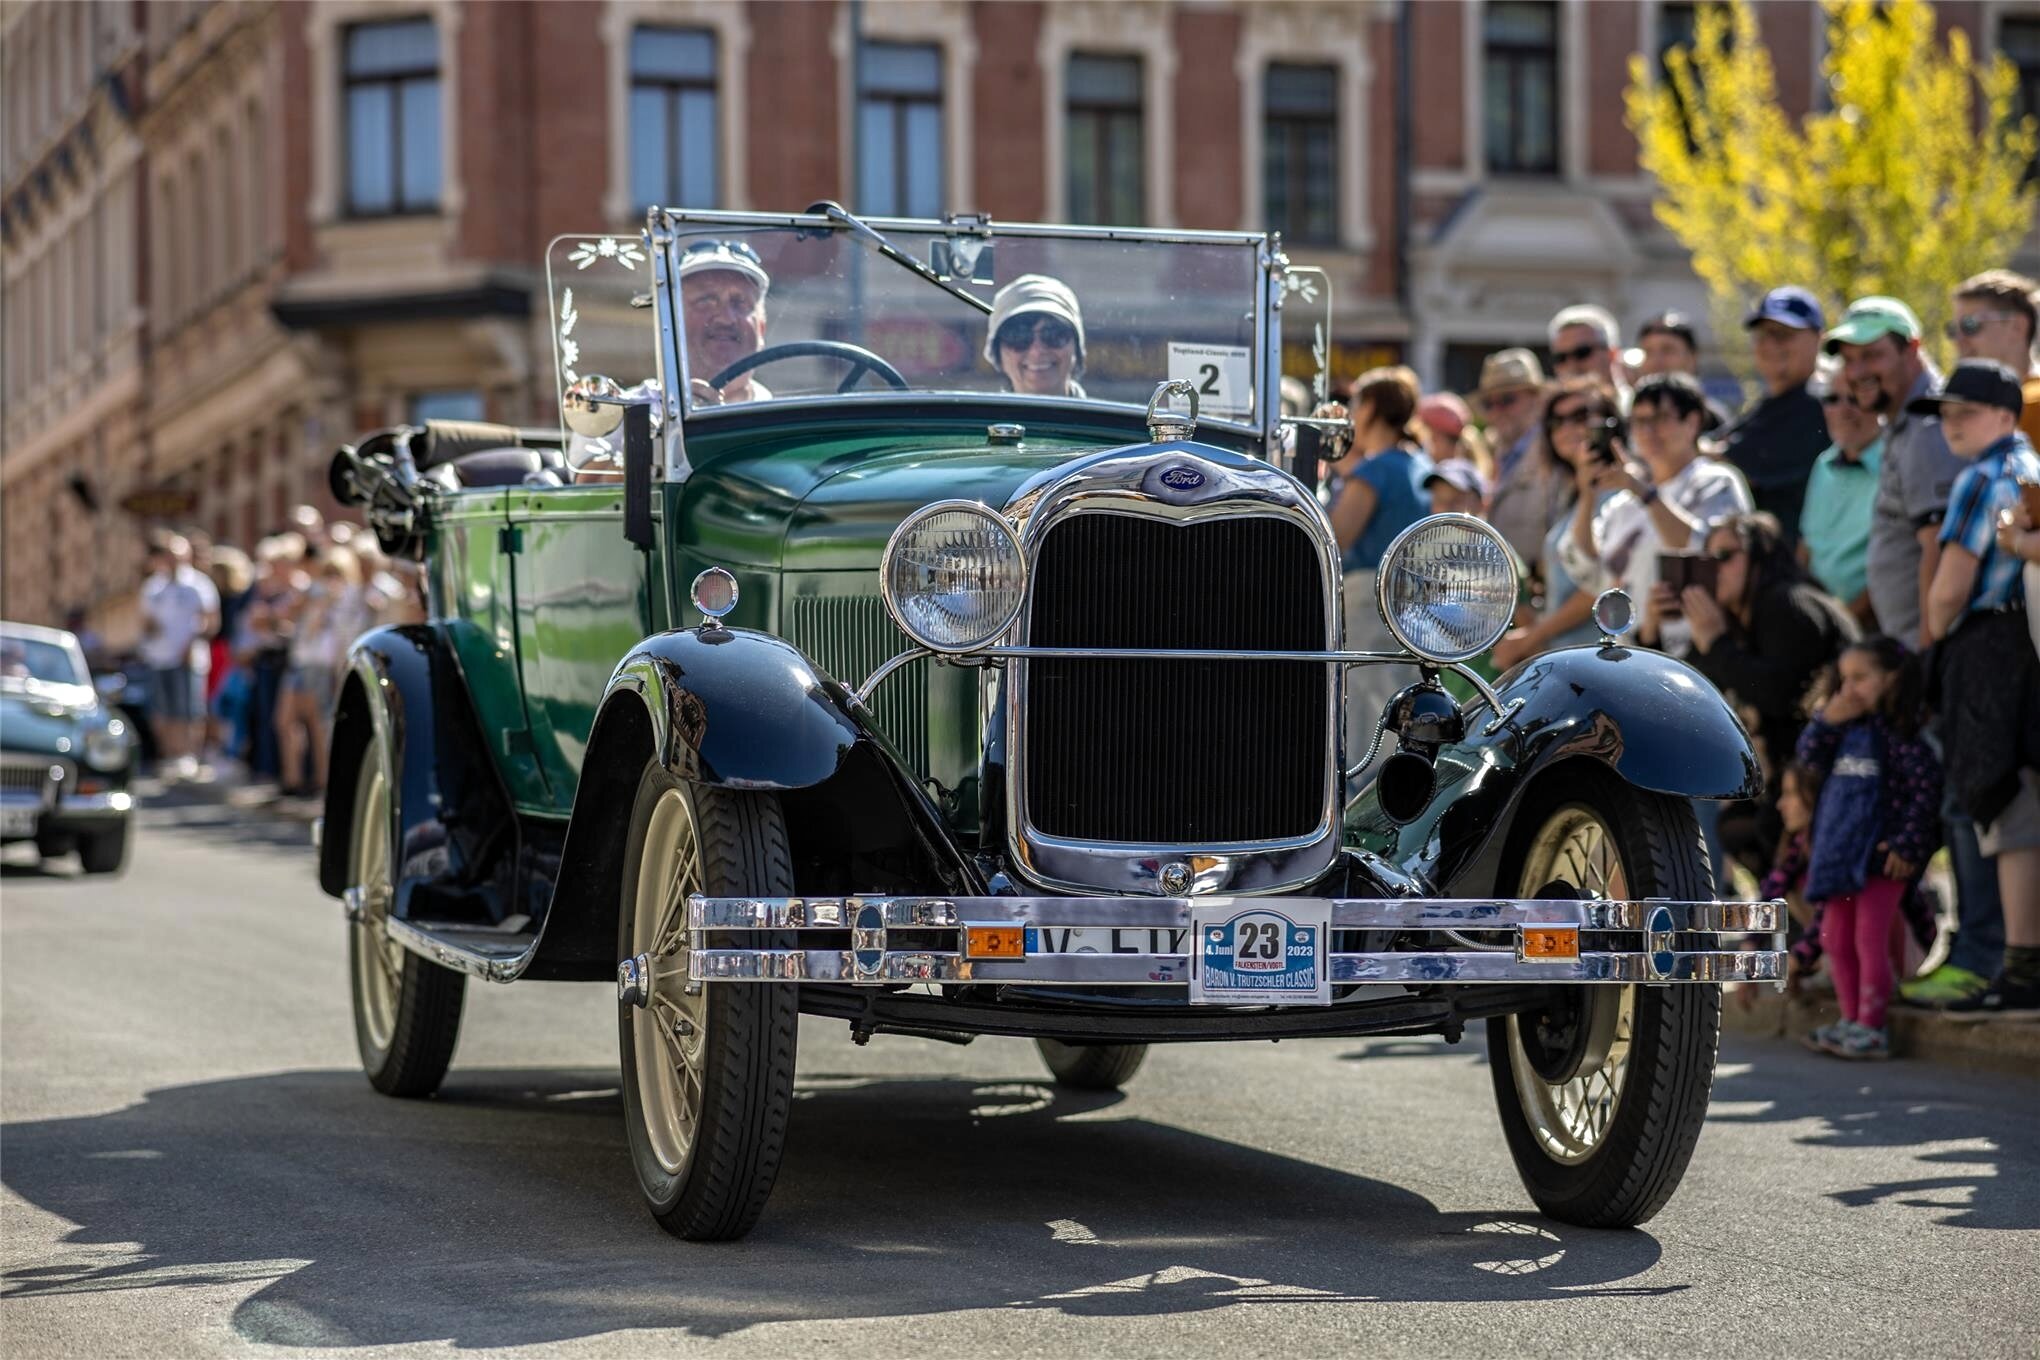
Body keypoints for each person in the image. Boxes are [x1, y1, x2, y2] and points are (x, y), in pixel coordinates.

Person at [1918, 359, 2040, 1019]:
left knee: (1998, 800)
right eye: (1945, 412)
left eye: (1963, 412)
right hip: (2032, 645)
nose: (1950, 424)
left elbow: (1949, 592)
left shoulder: (1980, 478)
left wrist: (1936, 629)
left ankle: (2011, 962)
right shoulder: (2035, 469)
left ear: (2003, 414)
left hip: (1988, 651)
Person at [1676, 511, 1858, 877]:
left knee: (1761, 827)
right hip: (1795, 767)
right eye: (1709, 560)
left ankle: (1802, 928)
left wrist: (1717, 642)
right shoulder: (1740, 615)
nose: (1716, 570)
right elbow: (1689, 683)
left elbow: (1777, 693)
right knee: (1739, 825)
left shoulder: (1786, 603)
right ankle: (1799, 926)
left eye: (1726, 556)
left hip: (1843, 765)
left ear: (1761, 557)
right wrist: (1652, 628)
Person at [1796, 638, 1944, 1060]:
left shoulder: (1903, 736)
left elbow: (1925, 791)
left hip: (1880, 858)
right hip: (1838, 855)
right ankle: (1849, 1019)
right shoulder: (1841, 729)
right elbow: (1807, 758)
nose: (1849, 689)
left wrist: (1907, 844)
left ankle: (1871, 1025)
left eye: (1861, 678)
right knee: (1836, 939)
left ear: (1892, 679)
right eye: (1844, 679)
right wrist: (1826, 720)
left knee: (1868, 939)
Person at [1559, 372, 1753, 658]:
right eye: (1639, 421)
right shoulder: (1625, 501)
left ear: (1693, 421)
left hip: (1700, 653)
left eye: (1661, 418)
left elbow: (1708, 551)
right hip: (1631, 653)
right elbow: (1589, 569)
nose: (1648, 431)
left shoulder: (1716, 481)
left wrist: (1644, 492)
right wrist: (1587, 492)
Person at [1318, 366, 1434, 757]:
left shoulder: (1375, 471)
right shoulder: (1415, 463)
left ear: (1368, 409)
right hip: (1408, 599)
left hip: (1368, 601)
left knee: (1368, 715)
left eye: (1355, 404)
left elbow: (1336, 538)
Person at [1491, 379, 1624, 669]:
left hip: (1601, 662)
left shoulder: (1619, 492)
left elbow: (1602, 585)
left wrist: (1529, 639)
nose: (1567, 428)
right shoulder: (1577, 494)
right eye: (1556, 421)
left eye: (1579, 416)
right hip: (1571, 660)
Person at [1718, 286, 1829, 546]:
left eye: (1782, 334)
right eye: (1762, 335)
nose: (1769, 344)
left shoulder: (1821, 402)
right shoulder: (1770, 404)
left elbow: (1730, 460)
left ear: (1818, 338)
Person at [1798, 360, 1885, 626]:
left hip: (1872, 629)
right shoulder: (1824, 464)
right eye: (1832, 399)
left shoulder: (1898, 466)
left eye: (1855, 398)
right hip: (1820, 624)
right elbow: (1806, 551)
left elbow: (1896, 567)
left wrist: (1840, 624)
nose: (1844, 410)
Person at [137, 531, 217, 780]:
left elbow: (211, 621)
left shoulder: (199, 585)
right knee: (163, 710)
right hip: (159, 658)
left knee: (189, 709)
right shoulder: (153, 586)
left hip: (188, 658)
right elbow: (145, 621)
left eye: (177, 555)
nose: (172, 560)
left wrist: (191, 644)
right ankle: (171, 756)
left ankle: (189, 756)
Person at [1475, 348, 1559, 569]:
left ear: (1538, 399)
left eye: (1507, 399)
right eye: (1489, 404)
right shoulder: (1493, 453)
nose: (1497, 410)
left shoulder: (1555, 454)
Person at [1949, 270, 2040, 448]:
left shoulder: (2034, 404)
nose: (1958, 341)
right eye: (1953, 330)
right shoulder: (1964, 403)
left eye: (1970, 325)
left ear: (2017, 327)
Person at [680, 239, 774, 405]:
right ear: (672, 325)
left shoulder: (788, 422)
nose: (726, 318)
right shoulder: (633, 418)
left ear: (761, 328)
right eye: (705, 300)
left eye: (740, 302)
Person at [985, 274, 1086, 398]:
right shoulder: (973, 417)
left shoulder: (1109, 417)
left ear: (1077, 348)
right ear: (997, 356)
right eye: (1019, 337)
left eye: (1053, 335)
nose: (1037, 351)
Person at [1548, 303, 1630, 406]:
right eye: (1561, 358)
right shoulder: (1545, 418)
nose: (1572, 365)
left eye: (1582, 353)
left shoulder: (1640, 409)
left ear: (1612, 354)